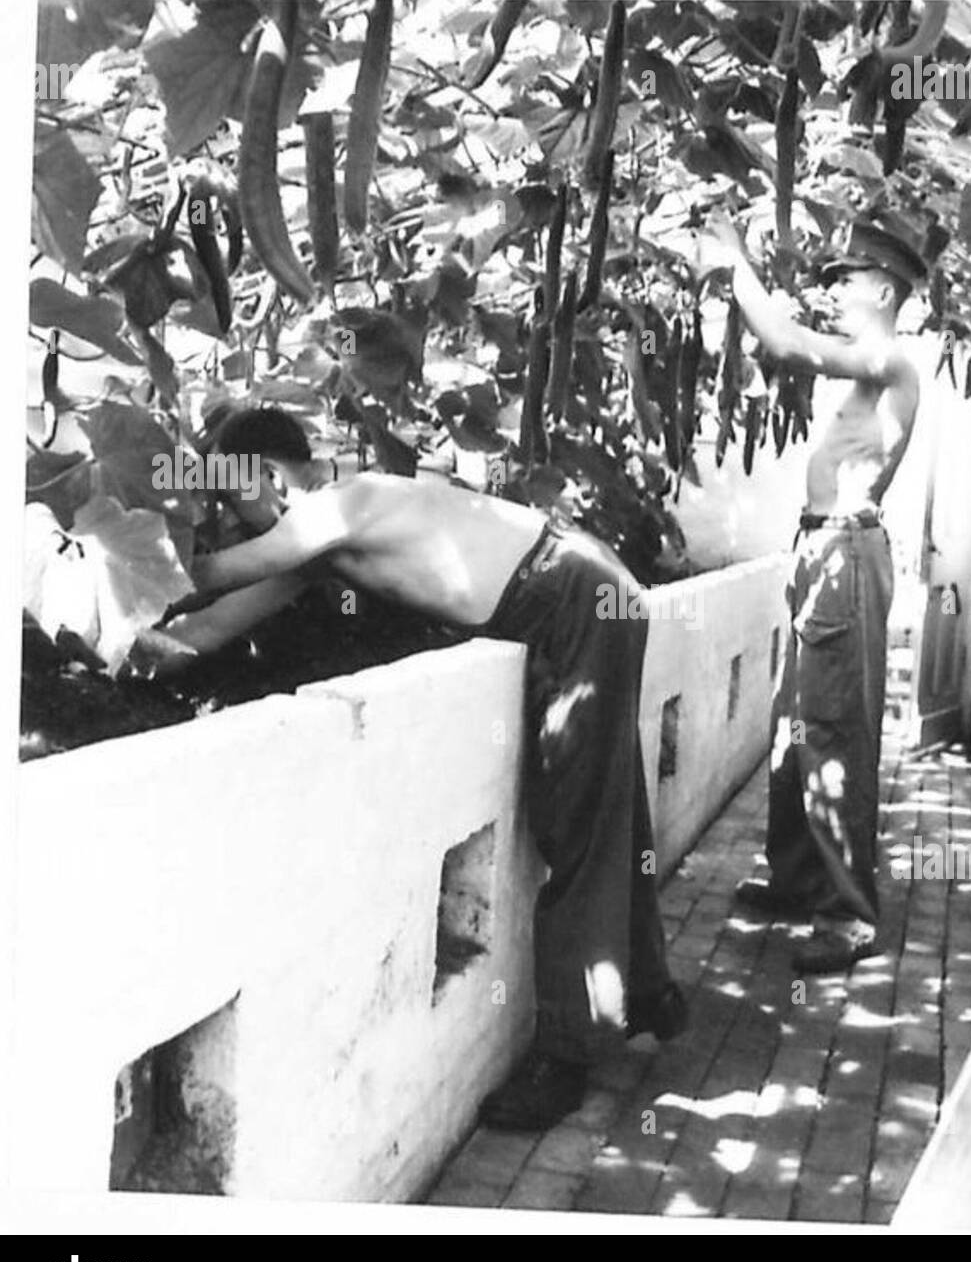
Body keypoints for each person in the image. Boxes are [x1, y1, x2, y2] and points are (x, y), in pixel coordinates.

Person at [136, 405, 687, 1130]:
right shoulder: (320, 548)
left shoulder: (344, 503)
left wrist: (116, 540)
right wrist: (117, 639)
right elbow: (206, 630)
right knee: (604, 800)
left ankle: (568, 1057)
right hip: (576, 597)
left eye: (232, 496)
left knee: (577, 821)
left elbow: (206, 573)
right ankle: (646, 992)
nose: (231, 519)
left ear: (267, 474)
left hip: (580, 595)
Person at [697, 214, 925, 973]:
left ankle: (848, 914)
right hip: (818, 550)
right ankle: (798, 882)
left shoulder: (889, 357)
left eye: (847, 280)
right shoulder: (872, 365)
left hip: (846, 552)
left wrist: (735, 267)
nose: (834, 292)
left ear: (885, 289)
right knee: (794, 725)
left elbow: (789, 345)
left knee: (835, 735)